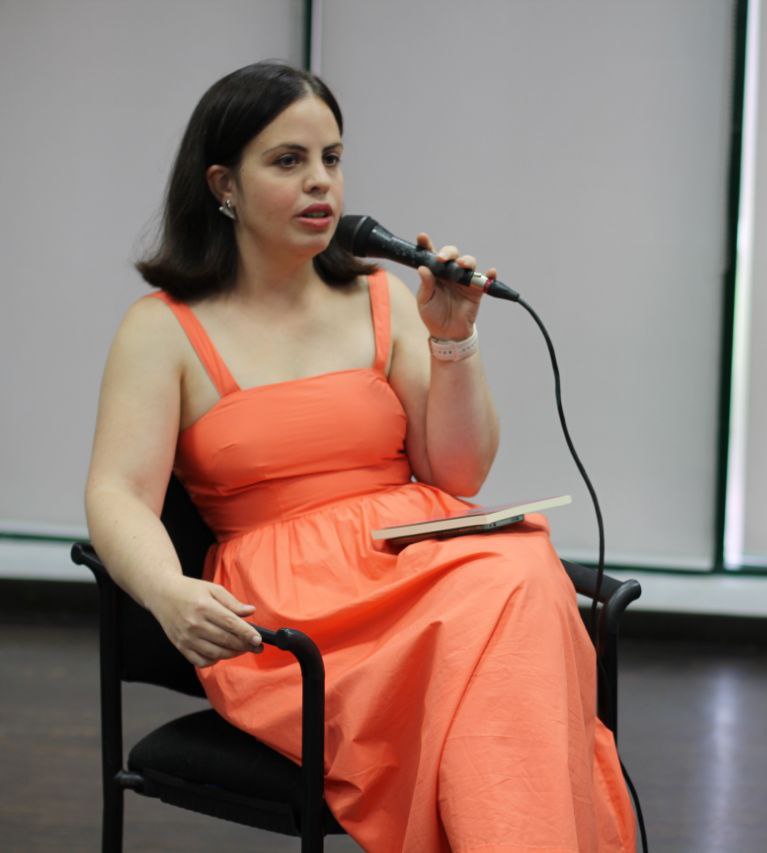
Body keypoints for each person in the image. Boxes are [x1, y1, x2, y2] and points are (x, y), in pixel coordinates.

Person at [84, 60, 635, 852]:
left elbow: (458, 475)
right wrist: (167, 591)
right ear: (223, 185)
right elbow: (116, 494)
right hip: (296, 601)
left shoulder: (382, 296)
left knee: (518, 573)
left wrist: (453, 341)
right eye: (288, 160)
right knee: (502, 598)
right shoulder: (163, 326)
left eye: (332, 158)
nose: (321, 182)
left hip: (418, 557)